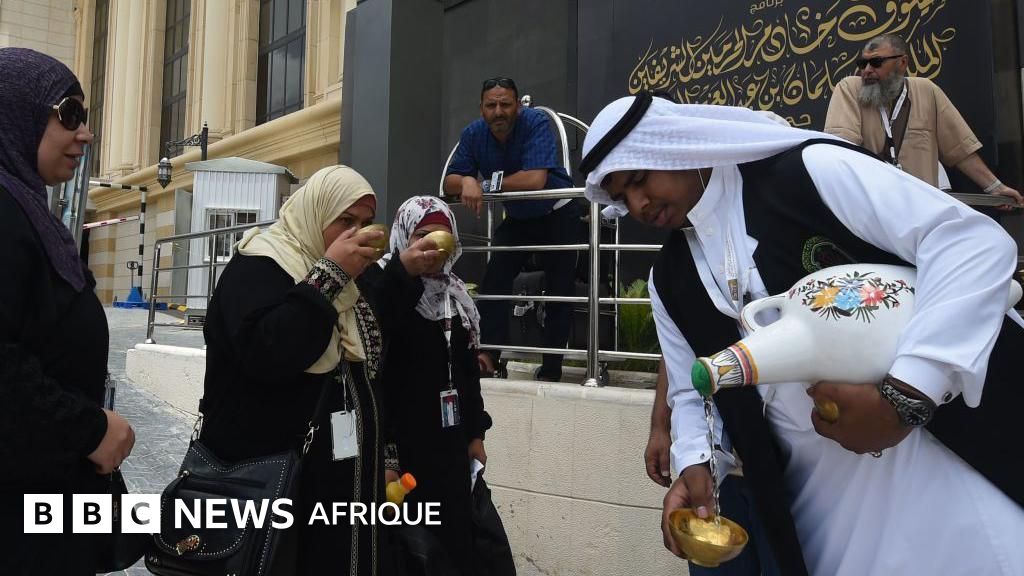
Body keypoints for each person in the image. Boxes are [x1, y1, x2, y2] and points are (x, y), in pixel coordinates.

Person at [580, 94, 1024, 575]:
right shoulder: (668, 278)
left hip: (939, 455)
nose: (639, 203)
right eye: (622, 195)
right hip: (825, 505)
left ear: (676, 145)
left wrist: (906, 397)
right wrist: (697, 464)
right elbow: (690, 392)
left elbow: (968, 242)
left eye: (640, 179)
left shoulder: (808, 172)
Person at [199, 166, 440, 575]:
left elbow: (371, 361)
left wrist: (385, 453)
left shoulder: (354, 279)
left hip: (346, 480)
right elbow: (269, 351)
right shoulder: (261, 266)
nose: (357, 234)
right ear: (315, 214)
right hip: (279, 481)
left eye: (365, 224)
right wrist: (327, 276)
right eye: (345, 221)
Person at [0, 48, 136, 575]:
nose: (85, 134)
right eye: (70, 115)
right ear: (18, 112)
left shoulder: (27, 207)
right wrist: (88, 430)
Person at [374, 196, 493, 575]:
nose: (431, 247)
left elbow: (467, 372)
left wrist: (476, 434)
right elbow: (379, 377)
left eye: (440, 237)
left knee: (453, 544)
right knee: (408, 549)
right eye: (421, 236)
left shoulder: (456, 297)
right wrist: (388, 458)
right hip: (404, 448)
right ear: (405, 237)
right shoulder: (386, 287)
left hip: (449, 444)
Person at [443, 76, 585, 382]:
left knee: (559, 290)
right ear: (481, 108)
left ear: (517, 106)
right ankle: (488, 357)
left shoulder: (535, 123)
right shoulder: (473, 133)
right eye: (491, 105)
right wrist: (465, 180)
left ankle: (551, 368)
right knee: (494, 282)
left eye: (505, 104)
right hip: (520, 217)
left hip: (556, 212)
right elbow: (449, 181)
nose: (498, 112)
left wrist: (479, 183)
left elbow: (534, 180)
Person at [824, 33, 1022, 208]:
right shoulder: (850, 89)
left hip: (922, 212)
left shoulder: (927, 91)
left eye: (876, 63)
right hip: (872, 210)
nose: (866, 70)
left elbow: (960, 150)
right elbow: (840, 151)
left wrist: (996, 187)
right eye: (862, 63)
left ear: (902, 63)